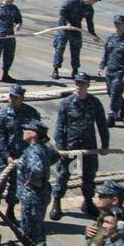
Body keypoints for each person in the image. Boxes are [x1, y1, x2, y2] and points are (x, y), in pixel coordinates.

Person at [50, 72, 110, 220]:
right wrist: (60, 147)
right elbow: (59, 126)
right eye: (77, 83)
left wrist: (105, 144)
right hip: (71, 148)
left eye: (82, 83)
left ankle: (88, 202)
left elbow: (102, 124)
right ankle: (57, 202)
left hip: (89, 148)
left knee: (89, 177)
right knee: (64, 176)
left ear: (88, 85)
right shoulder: (67, 103)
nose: (79, 86)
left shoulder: (95, 103)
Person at [0, 84, 40, 219]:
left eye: (15, 97)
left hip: (22, 158)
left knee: (16, 186)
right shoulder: (2, 116)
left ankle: (10, 210)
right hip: (4, 157)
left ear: (22, 98)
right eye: (10, 96)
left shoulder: (32, 114)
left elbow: (37, 135)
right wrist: (7, 156)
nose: (11, 99)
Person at [15, 121, 57, 245]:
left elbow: (36, 169)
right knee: (37, 227)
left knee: (30, 230)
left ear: (33, 134)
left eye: (26, 129)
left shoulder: (33, 151)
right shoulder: (43, 148)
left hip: (32, 197)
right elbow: (55, 156)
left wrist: (32, 180)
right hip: (40, 195)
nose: (23, 132)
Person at [99, 14, 124, 127]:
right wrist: (101, 66)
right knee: (110, 93)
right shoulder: (111, 38)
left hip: (120, 73)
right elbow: (106, 53)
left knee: (115, 93)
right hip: (110, 71)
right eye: (115, 23)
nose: (117, 26)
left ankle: (111, 117)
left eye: (119, 24)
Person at [52, 0, 99, 79]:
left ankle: (75, 70)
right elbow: (62, 11)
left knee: (76, 49)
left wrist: (93, 35)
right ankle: (56, 69)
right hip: (64, 28)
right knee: (59, 48)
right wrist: (67, 22)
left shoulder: (89, 9)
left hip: (76, 28)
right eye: (95, 0)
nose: (95, 2)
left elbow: (90, 23)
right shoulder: (73, 1)